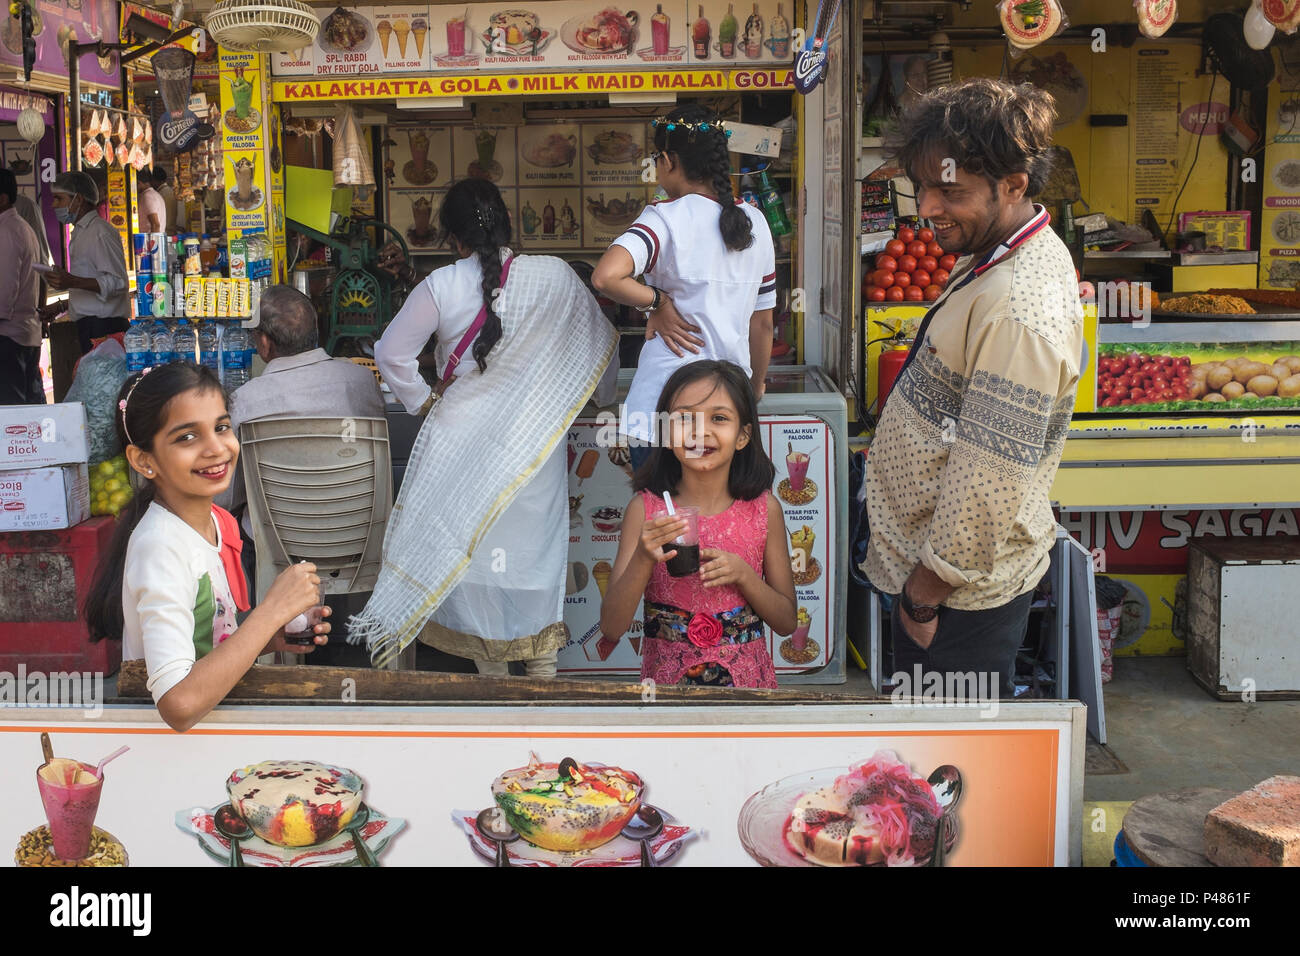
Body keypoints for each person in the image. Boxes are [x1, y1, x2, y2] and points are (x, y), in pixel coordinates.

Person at [866, 78, 1084, 698]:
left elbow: (989, 475)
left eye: (949, 191)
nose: (928, 207)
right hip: (940, 581)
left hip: (958, 596)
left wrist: (924, 597)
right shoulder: (996, 253)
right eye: (922, 189)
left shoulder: (1019, 307)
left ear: (1014, 185)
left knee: (945, 771)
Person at [352, 178, 617, 675]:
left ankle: (491, 688)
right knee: (533, 561)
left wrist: (425, 401)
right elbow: (600, 345)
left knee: (474, 560)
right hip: (532, 450)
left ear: (453, 239)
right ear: (506, 222)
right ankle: (543, 685)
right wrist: (597, 402)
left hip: (462, 451)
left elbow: (390, 353)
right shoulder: (556, 275)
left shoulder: (442, 284)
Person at [83, 363, 330, 733]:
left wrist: (268, 636)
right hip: (176, 755)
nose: (215, 448)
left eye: (221, 427)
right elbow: (178, 704)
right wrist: (271, 610)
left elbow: (206, 646)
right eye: (186, 437)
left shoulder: (216, 522)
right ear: (144, 461)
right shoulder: (160, 547)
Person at [592, 104, 776, 471]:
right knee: (716, 524)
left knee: (666, 520)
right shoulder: (755, 221)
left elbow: (606, 276)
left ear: (668, 160)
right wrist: (755, 386)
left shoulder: (663, 217)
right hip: (727, 412)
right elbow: (763, 324)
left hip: (663, 407)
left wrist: (657, 302)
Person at [600, 360, 795, 688]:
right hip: (665, 698)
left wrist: (745, 576)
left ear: (743, 435)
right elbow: (612, 627)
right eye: (684, 418)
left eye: (719, 418)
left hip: (748, 696)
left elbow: (787, 621)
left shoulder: (764, 510)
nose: (699, 432)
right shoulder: (645, 510)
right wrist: (643, 559)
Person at [218, 285, 386, 545]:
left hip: (274, 549)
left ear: (263, 342)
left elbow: (229, 497)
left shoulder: (244, 400)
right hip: (357, 537)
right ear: (316, 332)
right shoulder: (362, 382)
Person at [46, 171, 130, 354]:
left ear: (79, 199)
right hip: (90, 327)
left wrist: (71, 281)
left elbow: (119, 283)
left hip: (105, 329)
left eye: (59, 199)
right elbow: (92, 284)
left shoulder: (100, 232)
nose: (54, 205)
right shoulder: (81, 233)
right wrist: (61, 306)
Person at [0, 169, 43, 404]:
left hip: (9, 337)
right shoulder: (20, 227)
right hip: (23, 333)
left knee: (12, 413)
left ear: (3, 198)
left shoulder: (6, 231)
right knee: (26, 410)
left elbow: (4, 288)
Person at [137, 167, 166, 234]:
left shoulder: (148, 196)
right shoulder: (155, 194)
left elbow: (156, 225)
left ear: (139, 183)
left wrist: (153, 243)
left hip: (149, 242)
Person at [152, 167, 180, 234]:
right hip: (171, 232)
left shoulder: (160, 194)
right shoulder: (170, 191)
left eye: (152, 180)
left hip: (165, 233)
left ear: (155, 180)